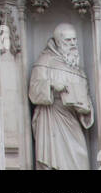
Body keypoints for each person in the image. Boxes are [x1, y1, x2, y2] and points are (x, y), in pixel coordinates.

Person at [29, 24, 94, 171]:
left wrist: (85, 109)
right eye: (68, 40)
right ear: (58, 42)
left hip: (72, 119)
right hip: (52, 119)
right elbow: (34, 89)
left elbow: (87, 98)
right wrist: (51, 85)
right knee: (54, 161)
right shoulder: (45, 61)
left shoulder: (77, 69)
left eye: (74, 40)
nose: (72, 44)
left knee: (81, 160)